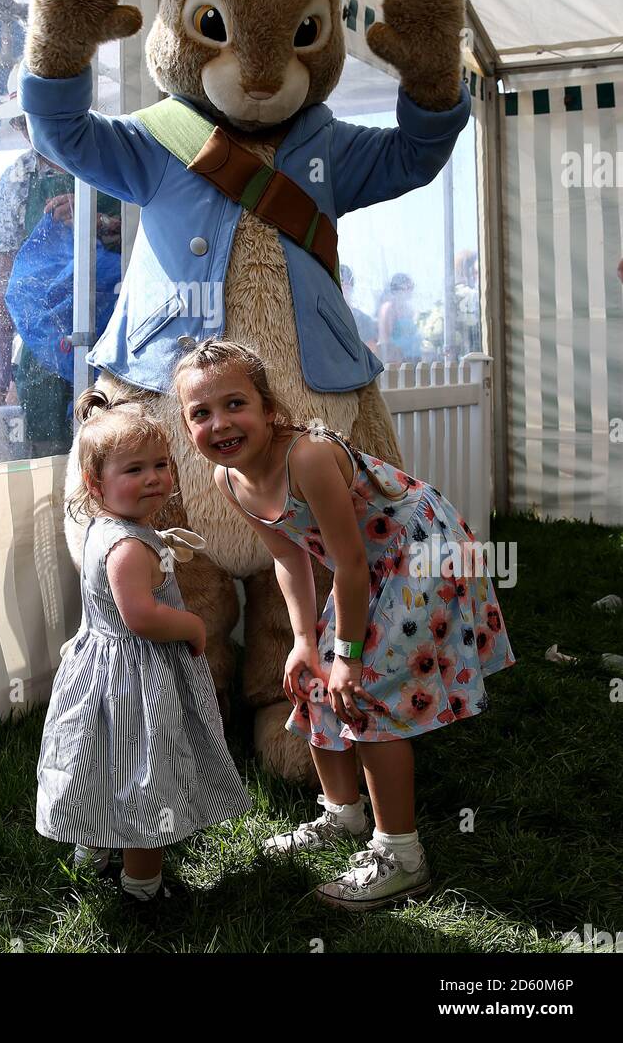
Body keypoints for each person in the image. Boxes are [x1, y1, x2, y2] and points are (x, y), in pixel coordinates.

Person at [172, 337, 515, 911]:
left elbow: (350, 565)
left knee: (364, 692)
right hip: (365, 566)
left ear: (269, 410)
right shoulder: (228, 480)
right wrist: (306, 641)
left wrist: (350, 656)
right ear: (188, 431)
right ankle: (343, 814)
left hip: (421, 554)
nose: (221, 423)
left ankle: (401, 854)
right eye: (201, 413)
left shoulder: (305, 457)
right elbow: (289, 556)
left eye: (235, 404)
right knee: (313, 679)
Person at [36, 387, 251, 904]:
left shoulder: (104, 528)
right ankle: (143, 887)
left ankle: (94, 847)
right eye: (134, 470)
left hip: (102, 673)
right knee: (143, 772)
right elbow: (141, 616)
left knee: (101, 762)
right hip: (135, 678)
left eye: (161, 465)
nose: (153, 478)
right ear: (95, 482)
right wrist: (192, 627)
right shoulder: (130, 546)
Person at [0, 113, 121, 454]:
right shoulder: (17, 180)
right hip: (45, 350)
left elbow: (148, 232)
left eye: (33, 117)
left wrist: (100, 222)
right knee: (46, 463)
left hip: (114, 340)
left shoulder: (110, 155)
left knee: (115, 449)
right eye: (19, 123)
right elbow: (5, 279)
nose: (29, 129)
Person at [377, 272, 422, 365]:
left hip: (412, 357)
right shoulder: (388, 308)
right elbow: (385, 338)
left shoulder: (409, 309)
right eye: (408, 287)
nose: (411, 291)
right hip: (395, 359)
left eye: (411, 288)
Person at [340, 264, 379, 355]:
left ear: (350, 285)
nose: (343, 287)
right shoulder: (324, 317)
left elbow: (371, 351)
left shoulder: (363, 319)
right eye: (341, 283)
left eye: (345, 283)